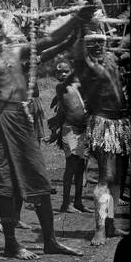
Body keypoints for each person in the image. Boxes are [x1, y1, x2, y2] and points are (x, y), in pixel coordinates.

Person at [0, 0, 95, 259]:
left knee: (38, 179)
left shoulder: (16, 51)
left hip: (21, 121)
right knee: (4, 184)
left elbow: (49, 40)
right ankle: (11, 244)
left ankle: (50, 241)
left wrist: (81, 16)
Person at [74, 29, 129, 245]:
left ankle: (111, 225)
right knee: (105, 177)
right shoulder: (86, 65)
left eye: (100, 41)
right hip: (103, 123)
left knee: (116, 180)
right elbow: (78, 52)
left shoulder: (111, 58)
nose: (97, 46)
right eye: (92, 43)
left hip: (120, 124)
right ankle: (99, 230)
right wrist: (83, 21)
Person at [49, 58, 88, 214]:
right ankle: (66, 204)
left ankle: (78, 201)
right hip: (70, 129)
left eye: (66, 71)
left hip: (83, 129)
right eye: (59, 71)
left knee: (81, 167)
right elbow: (62, 111)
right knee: (71, 166)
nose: (63, 74)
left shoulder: (79, 85)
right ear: (55, 74)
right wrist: (55, 131)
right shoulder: (60, 87)